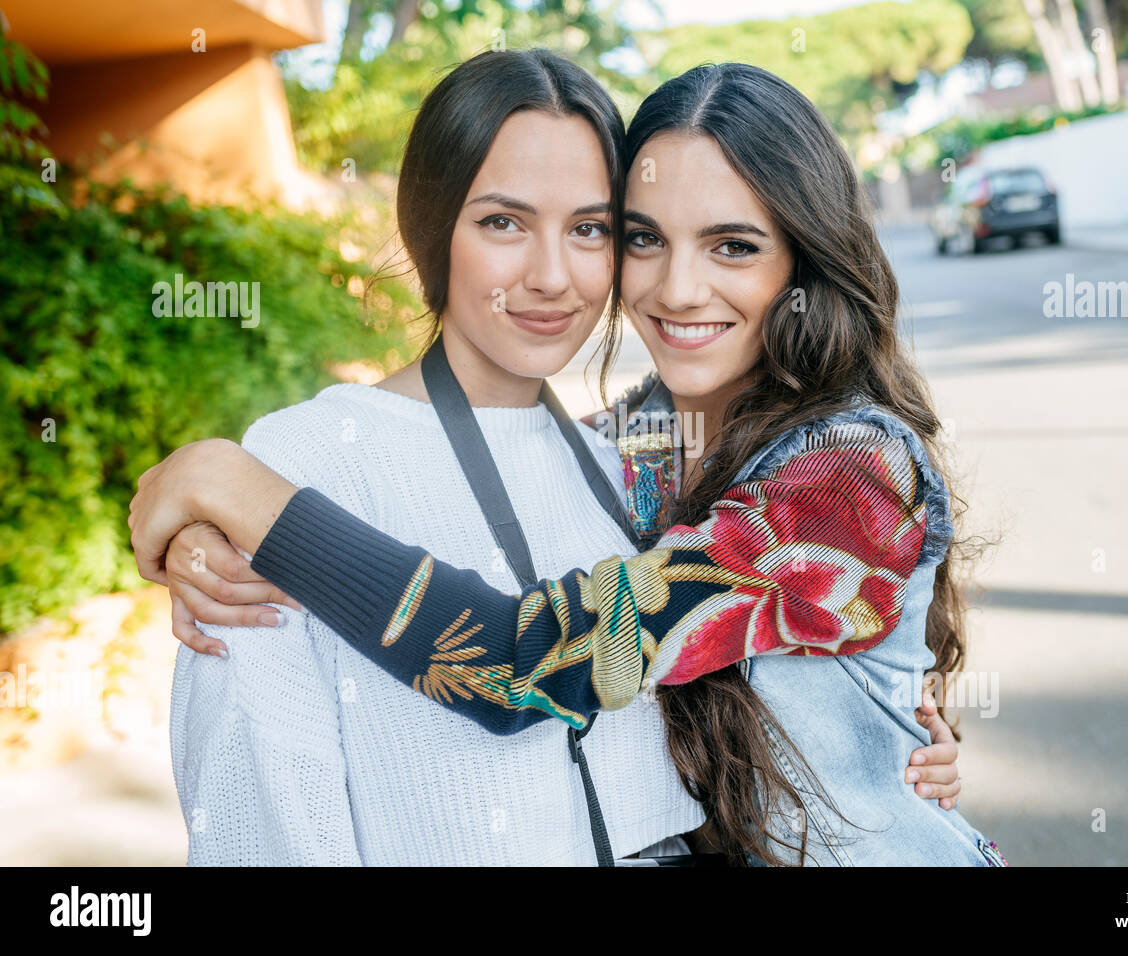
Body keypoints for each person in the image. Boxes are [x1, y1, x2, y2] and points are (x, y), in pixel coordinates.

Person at [133, 58, 980, 866]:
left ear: (804, 256)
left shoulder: (850, 479)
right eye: (644, 238)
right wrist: (208, 529)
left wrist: (236, 489)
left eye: (733, 246)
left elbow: (524, 662)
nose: (678, 290)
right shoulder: (632, 445)